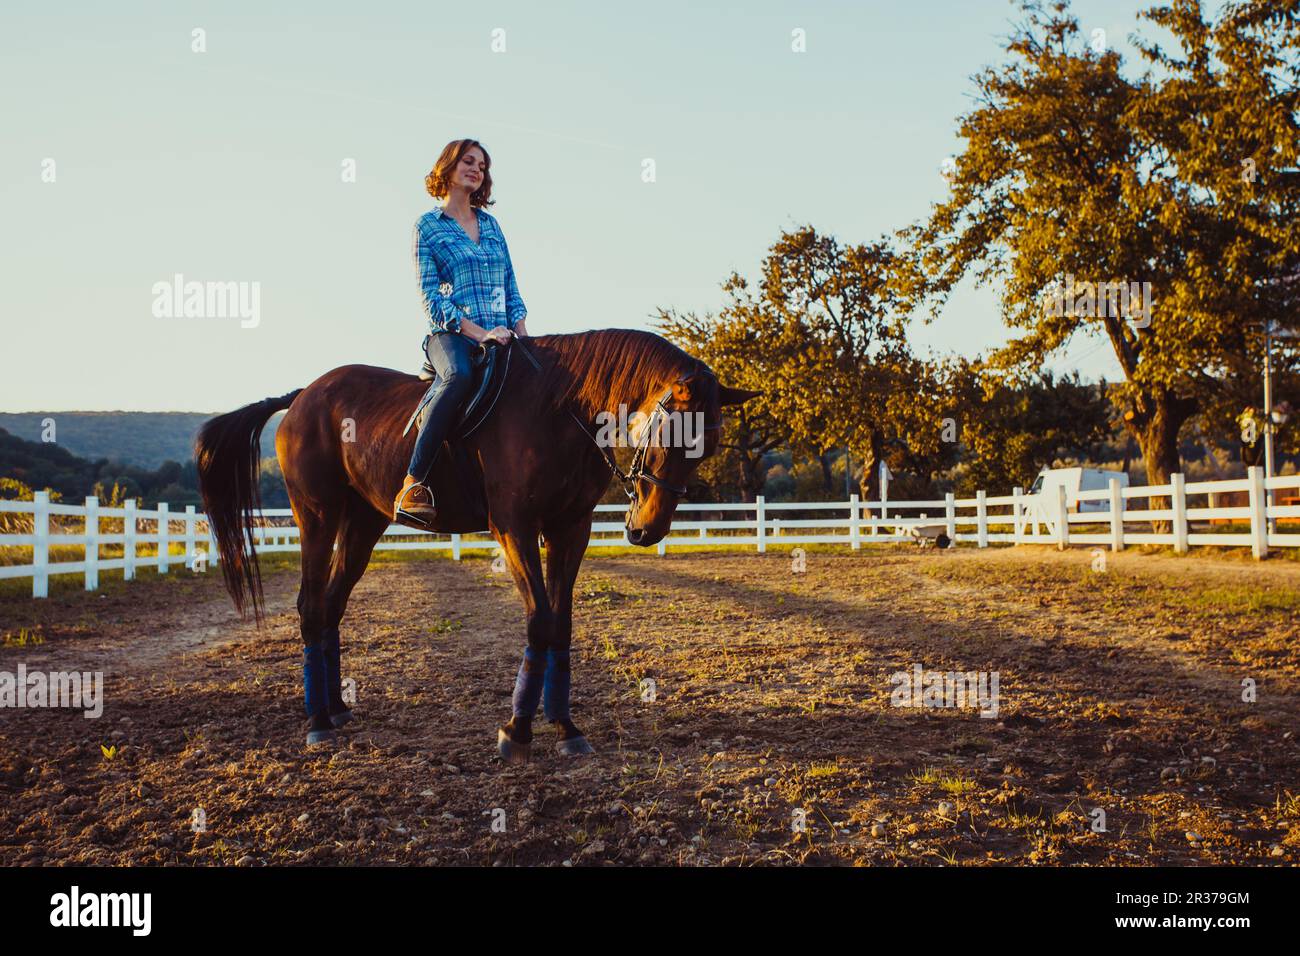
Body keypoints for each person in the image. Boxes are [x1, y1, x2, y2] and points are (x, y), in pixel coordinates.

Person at [394, 139, 528, 525]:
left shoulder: (490, 224)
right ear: (448, 167)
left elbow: (510, 284)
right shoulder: (428, 227)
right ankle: (414, 482)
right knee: (458, 377)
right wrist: (477, 332)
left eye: (482, 166)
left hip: (502, 334)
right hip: (450, 335)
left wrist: (523, 335)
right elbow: (431, 297)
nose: (477, 169)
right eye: (468, 162)